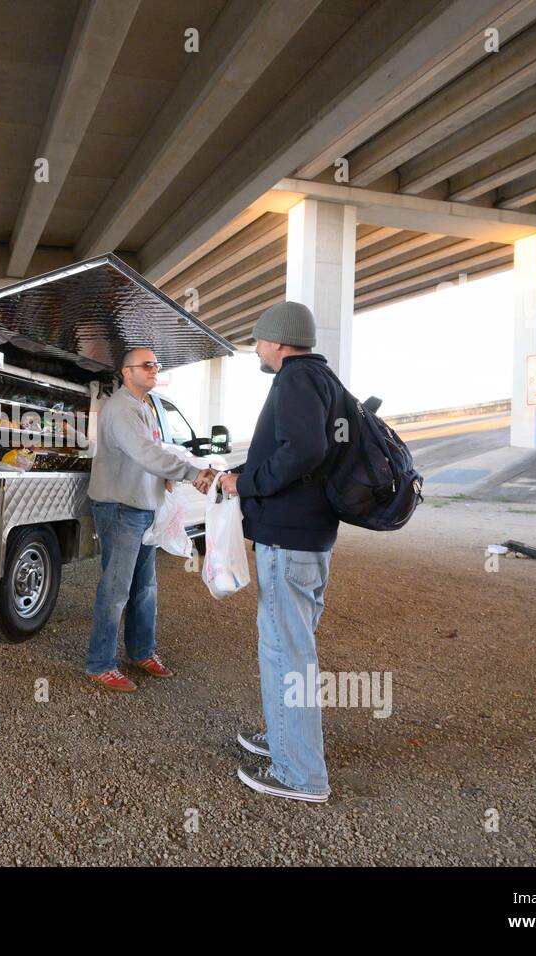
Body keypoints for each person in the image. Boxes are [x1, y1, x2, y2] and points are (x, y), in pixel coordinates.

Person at [218, 301, 345, 803]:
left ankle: (300, 774)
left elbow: (304, 450)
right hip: (310, 536)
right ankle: (287, 741)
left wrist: (245, 483)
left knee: (286, 652)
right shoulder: (326, 380)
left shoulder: (293, 380)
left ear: (277, 342)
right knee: (293, 644)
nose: (256, 349)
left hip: (288, 538)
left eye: (258, 340)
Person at [84, 347, 215, 692]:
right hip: (120, 509)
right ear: (127, 372)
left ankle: (141, 651)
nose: (154, 369)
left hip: (142, 508)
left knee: (145, 588)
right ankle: (100, 664)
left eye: (156, 364)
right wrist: (193, 471)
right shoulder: (122, 408)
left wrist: (165, 477)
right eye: (147, 365)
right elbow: (146, 453)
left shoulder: (145, 406)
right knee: (115, 590)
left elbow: (152, 456)